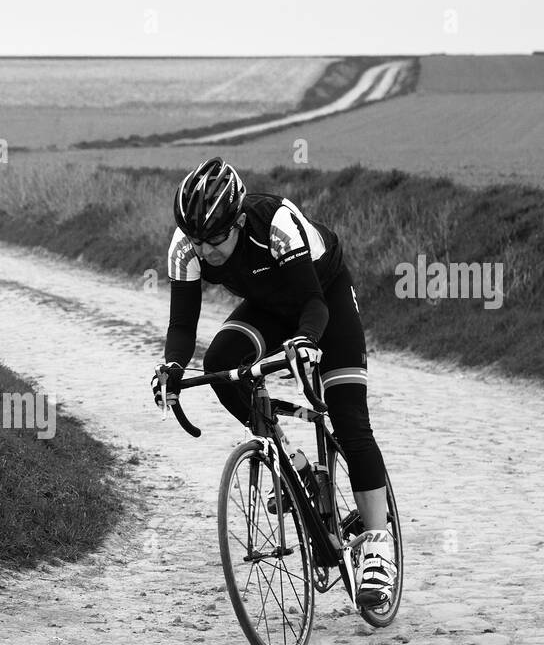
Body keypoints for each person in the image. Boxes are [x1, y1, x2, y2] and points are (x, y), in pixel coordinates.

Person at [150, 155, 394, 607]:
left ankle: (377, 545)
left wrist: (305, 342)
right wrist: (172, 368)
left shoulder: (277, 223)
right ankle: (294, 463)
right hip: (268, 306)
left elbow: (313, 303)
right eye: (197, 241)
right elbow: (182, 325)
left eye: (216, 240)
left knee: (348, 418)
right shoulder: (187, 246)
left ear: (240, 220)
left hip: (322, 301)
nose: (205, 252)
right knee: (223, 364)